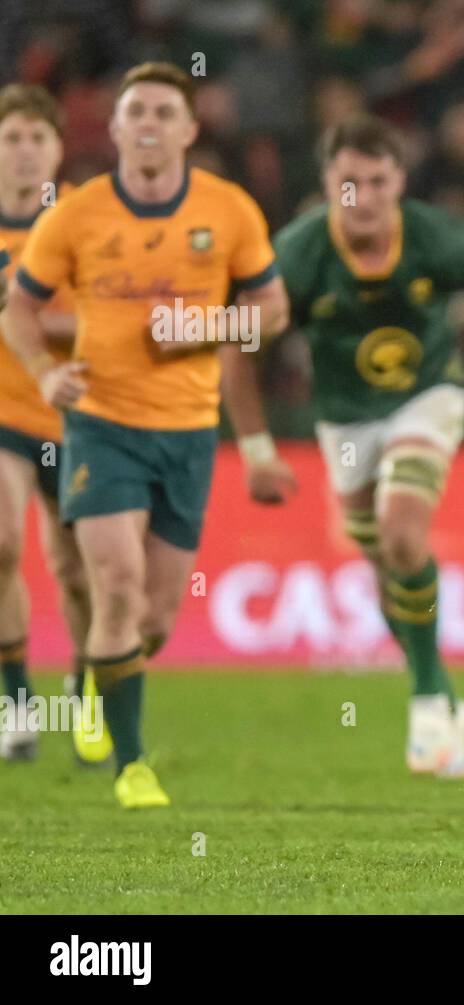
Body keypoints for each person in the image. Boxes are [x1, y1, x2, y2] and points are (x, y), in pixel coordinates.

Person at [220, 114, 464, 778]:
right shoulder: (294, 256)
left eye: (377, 181)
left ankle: (425, 699)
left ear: (399, 182)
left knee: (402, 532)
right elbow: (239, 351)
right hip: (345, 418)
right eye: (348, 182)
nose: (364, 197)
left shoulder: (436, 236)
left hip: (428, 395)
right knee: (383, 558)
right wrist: (259, 448)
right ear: (327, 184)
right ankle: (443, 696)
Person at [2, 62, 288, 807]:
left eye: (166, 110)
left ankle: (93, 687)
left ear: (190, 129)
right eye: (137, 112)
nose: (151, 123)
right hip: (98, 423)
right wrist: (42, 369)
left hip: (189, 431)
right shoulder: (78, 214)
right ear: (118, 128)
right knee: (115, 584)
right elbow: (20, 308)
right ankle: (133, 766)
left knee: (152, 619)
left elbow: (274, 311)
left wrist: (203, 324)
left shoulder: (230, 211)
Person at [0, 84, 94, 762]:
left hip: (72, 414)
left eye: (38, 138)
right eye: (12, 137)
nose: (25, 151)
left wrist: (30, 316)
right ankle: (16, 704)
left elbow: (109, 323)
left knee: (80, 570)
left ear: (59, 149)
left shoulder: (84, 225)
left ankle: (87, 689)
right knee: (2, 543)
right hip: (3, 410)